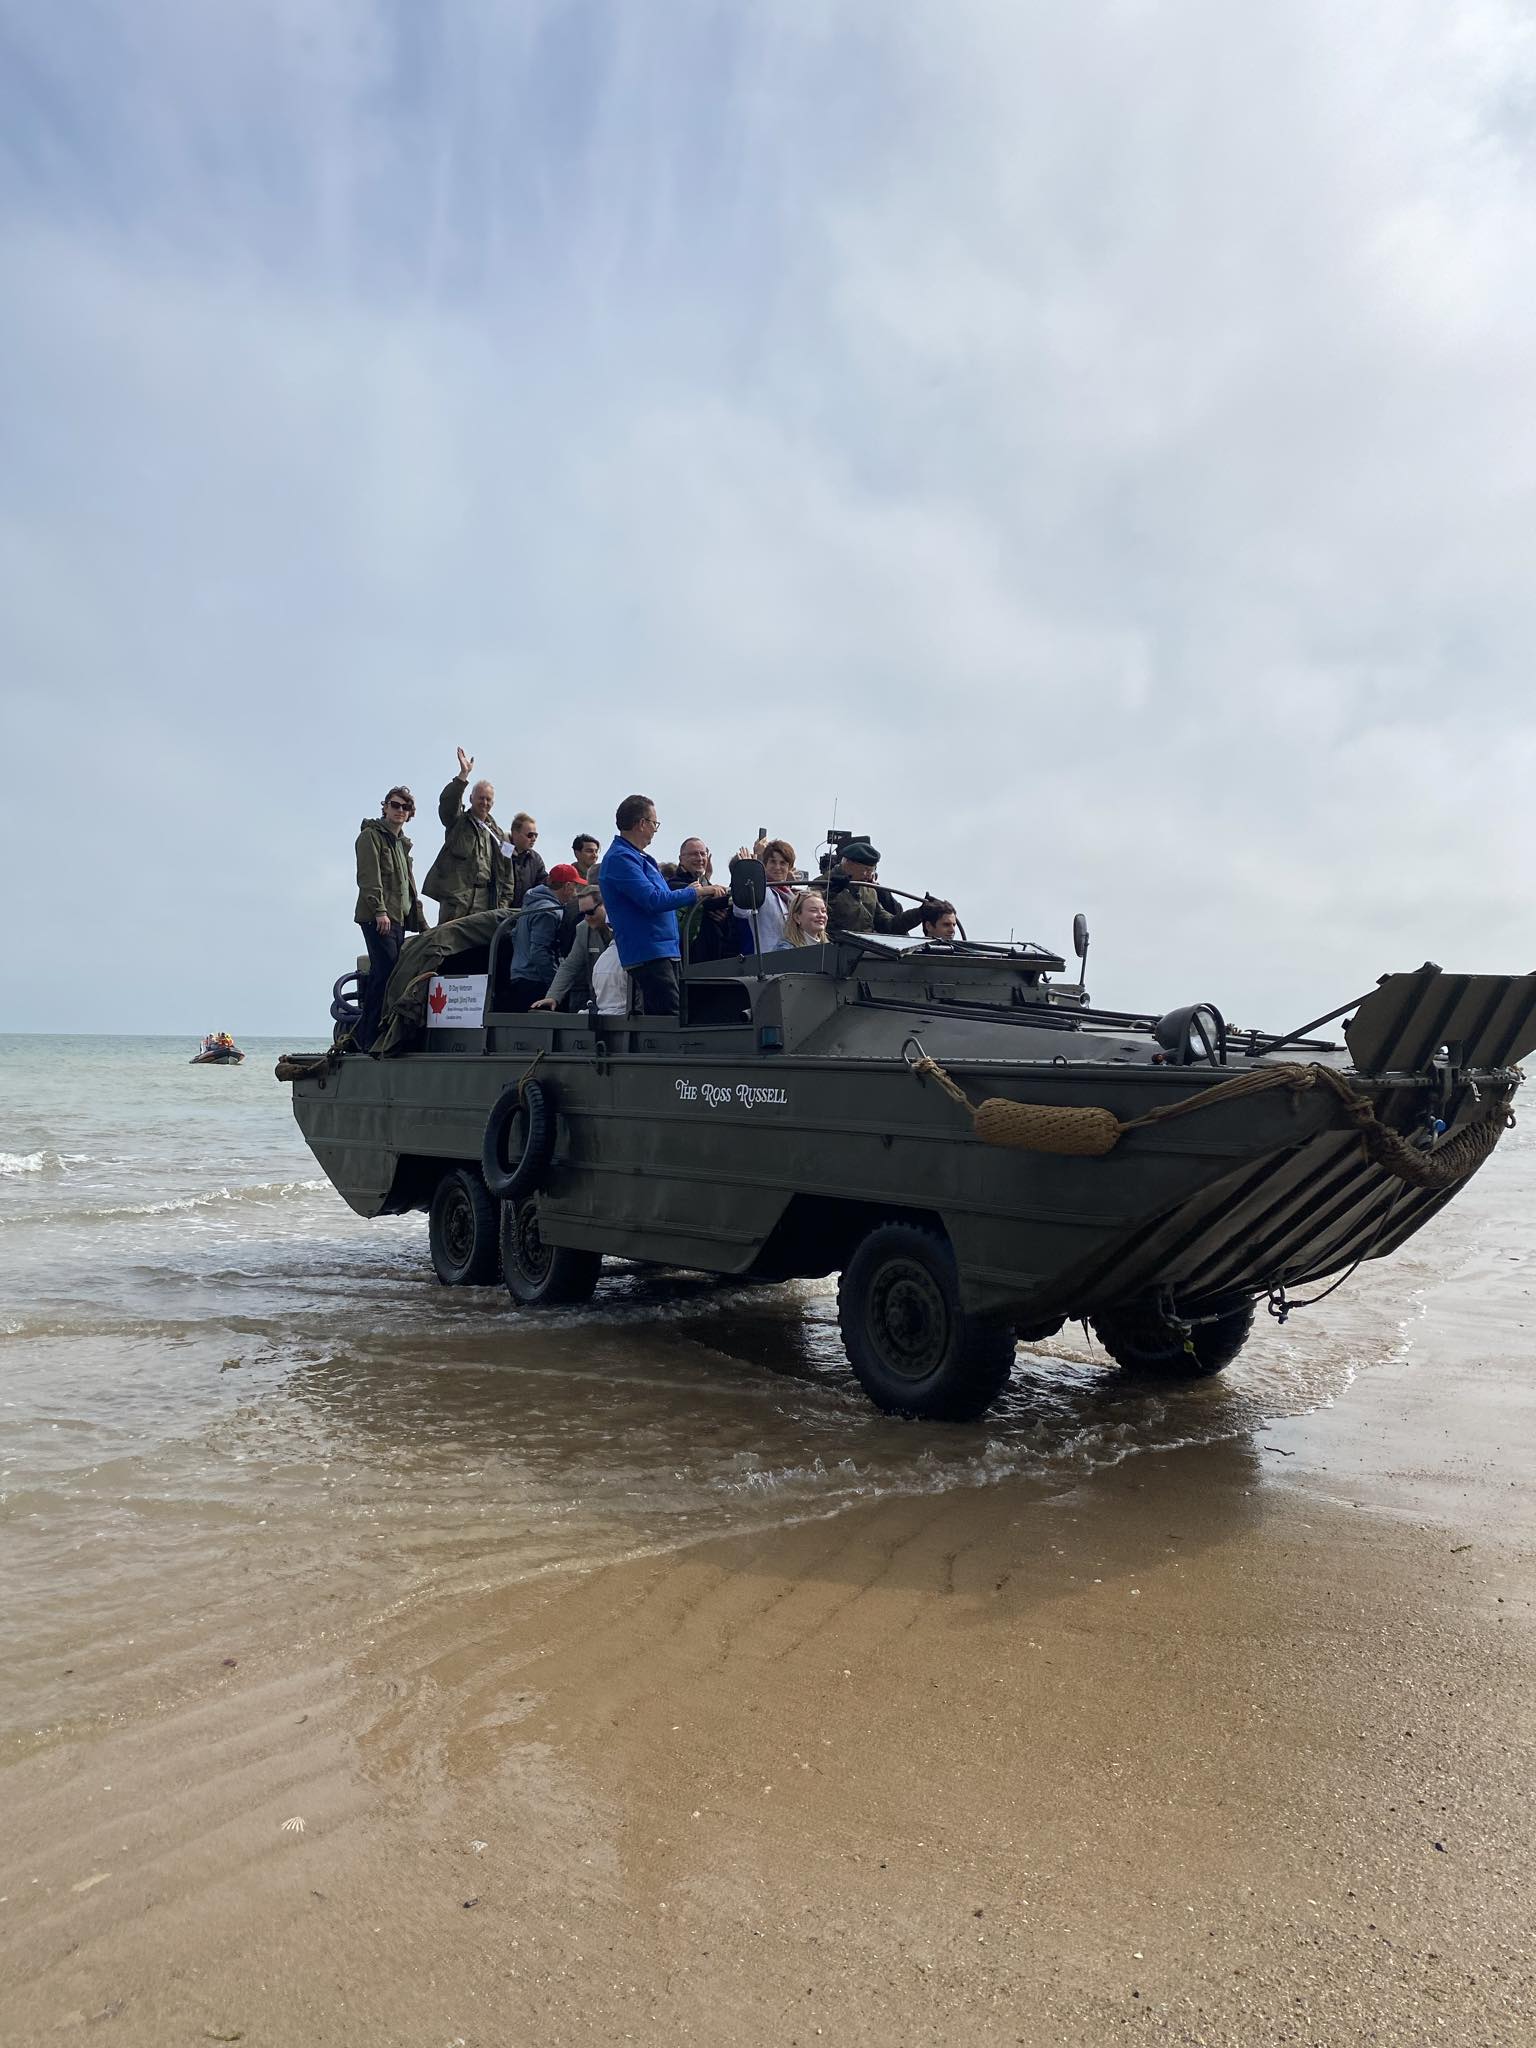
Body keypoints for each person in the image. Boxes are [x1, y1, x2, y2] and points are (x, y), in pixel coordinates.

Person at [599, 795, 727, 1015]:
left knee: (673, 1015)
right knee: (671, 1019)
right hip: (650, 952)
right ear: (641, 823)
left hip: (661, 950)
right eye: (654, 823)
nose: (655, 829)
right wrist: (695, 892)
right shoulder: (621, 859)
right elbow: (653, 900)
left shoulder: (634, 857)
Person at [354, 785, 428, 1051]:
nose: (399, 811)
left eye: (405, 808)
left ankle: (377, 1032)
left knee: (393, 974)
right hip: (379, 918)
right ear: (384, 806)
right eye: (395, 805)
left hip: (399, 919)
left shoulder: (402, 845)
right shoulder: (370, 837)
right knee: (385, 974)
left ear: (410, 814)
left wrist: (421, 923)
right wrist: (380, 911)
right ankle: (368, 1037)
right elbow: (368, 877)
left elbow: (409, 887)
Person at [422, 746, 512, 925]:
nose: (484, 803)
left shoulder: (499, 835)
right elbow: (448, 804)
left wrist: (502, 905)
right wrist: (463, 775)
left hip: (485, 903)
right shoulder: (458, 822)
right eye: (480, 798)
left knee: (477, 952)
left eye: (488, 799)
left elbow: (508, 874)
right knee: (449, 947)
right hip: (457, 899)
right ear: (471, 798)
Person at [824, 839, 934, 937]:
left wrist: (920, 912)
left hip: (866, 952)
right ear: (848, 863)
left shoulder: (869, 891)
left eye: (872, 871)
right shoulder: (823, 884)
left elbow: (888, 925)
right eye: (865, 870)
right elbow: (812, 916)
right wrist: (831, 894)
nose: (868, 875)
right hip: (832, 951)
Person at [532, 885, 611, 1011]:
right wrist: (553, 996)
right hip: (600, 1001)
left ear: (605, 905)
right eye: (583, 914)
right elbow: (570, 965)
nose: (587, 918)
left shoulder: (624, 927)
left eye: (590, 912)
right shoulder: (583, 929)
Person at [502, 874, 565, 1011]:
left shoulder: (530, 905)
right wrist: (556, 984)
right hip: (536, 979)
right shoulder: (549, 911)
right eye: (576, 887)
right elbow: (539, 951)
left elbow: (515, 937)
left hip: (520, 975)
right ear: (568, 886)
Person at [732, 837, 799, 952]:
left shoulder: (792, 897)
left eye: (783, 863)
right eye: (772, 861)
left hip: (792, 958)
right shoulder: (760, 889)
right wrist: (747, 873)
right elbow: (741, 912)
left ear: (790, 868)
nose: (777, 867)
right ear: (765, 864)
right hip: (763, 960)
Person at [505, 812, 547, 908]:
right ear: (515, 834)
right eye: (530, 835)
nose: (534, 839)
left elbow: (542, 885)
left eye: (536, 835)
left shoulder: (536, 859)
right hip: (497, 910)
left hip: (522, 913)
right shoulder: (499, 851)